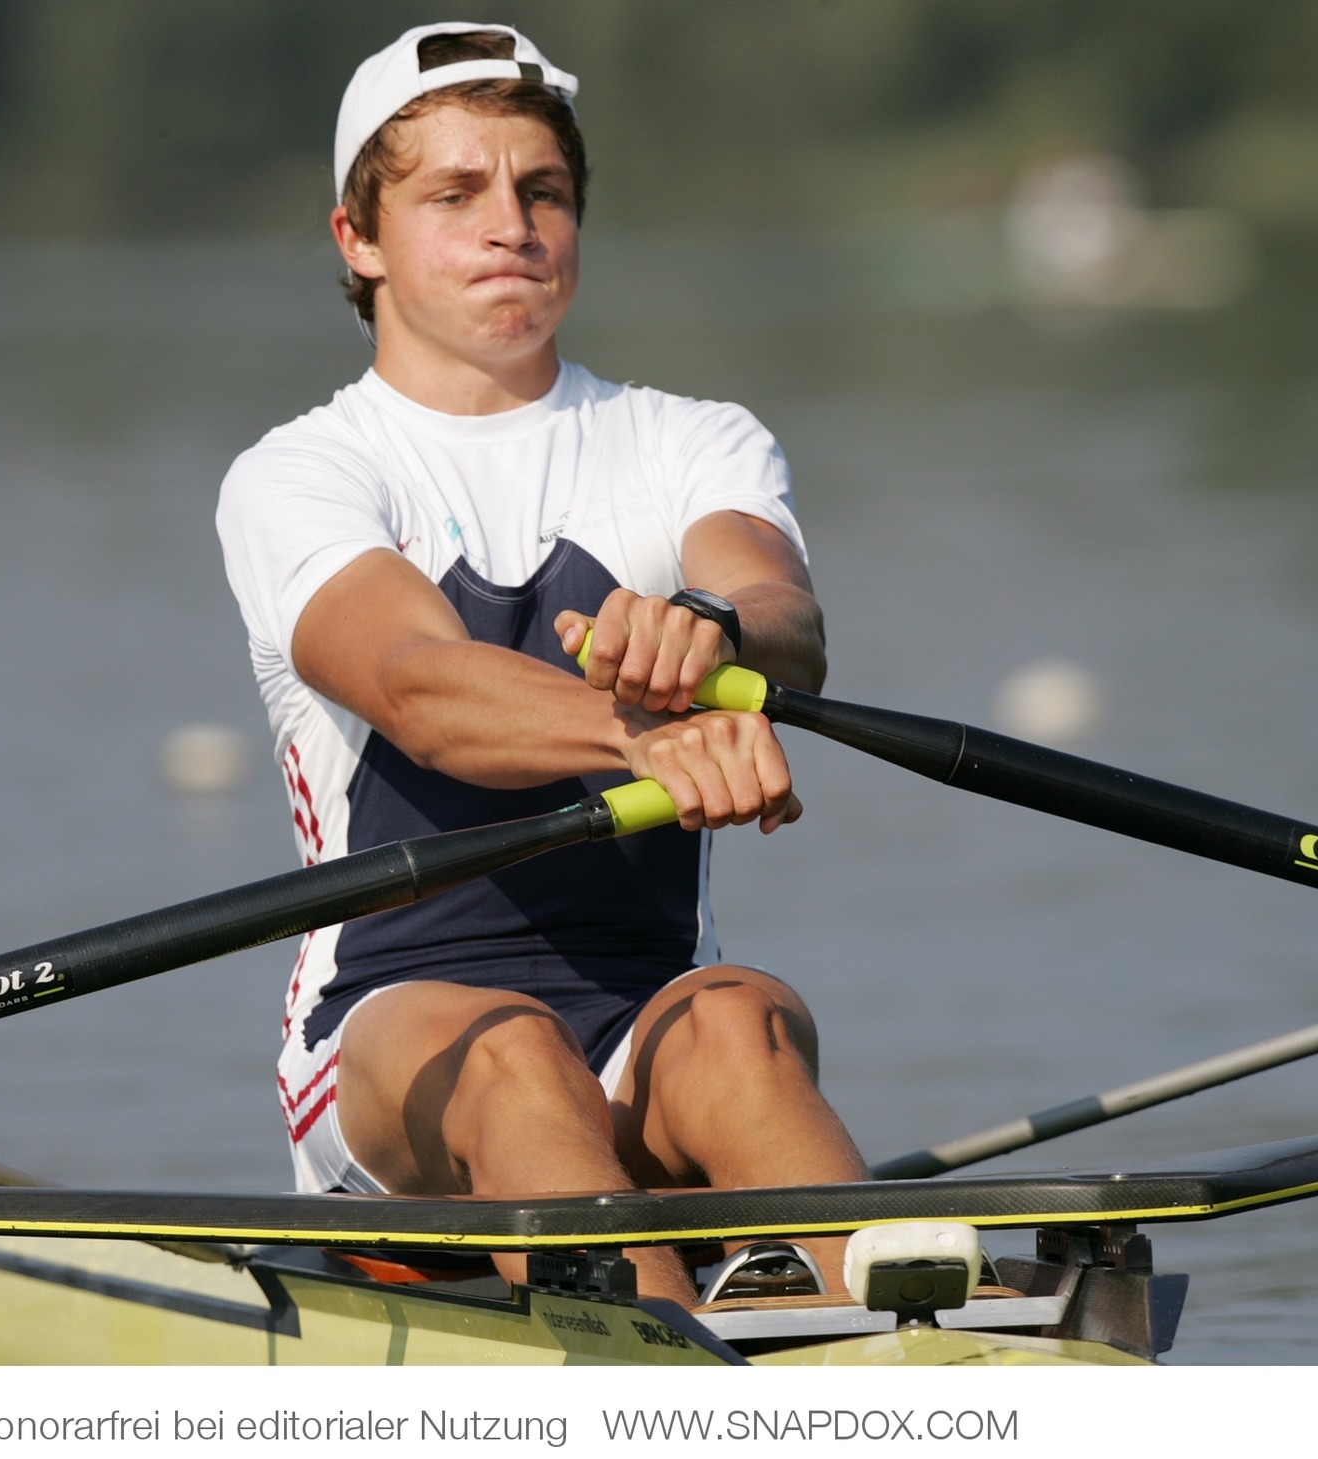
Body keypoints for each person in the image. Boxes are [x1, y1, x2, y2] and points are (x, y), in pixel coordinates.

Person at [215, 22, 865, 1307]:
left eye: (542, 191)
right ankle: (668, 1363)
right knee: (512, 1051)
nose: (509, 224)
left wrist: (717, 634)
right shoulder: (301, 474)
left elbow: (781, 611)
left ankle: (918, 1346)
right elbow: (419, 688)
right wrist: (644, 735)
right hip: (389, 1043)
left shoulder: (688, 438)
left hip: (644, 1016)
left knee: (740, 1015)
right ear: (359, 239)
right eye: (454, 194)